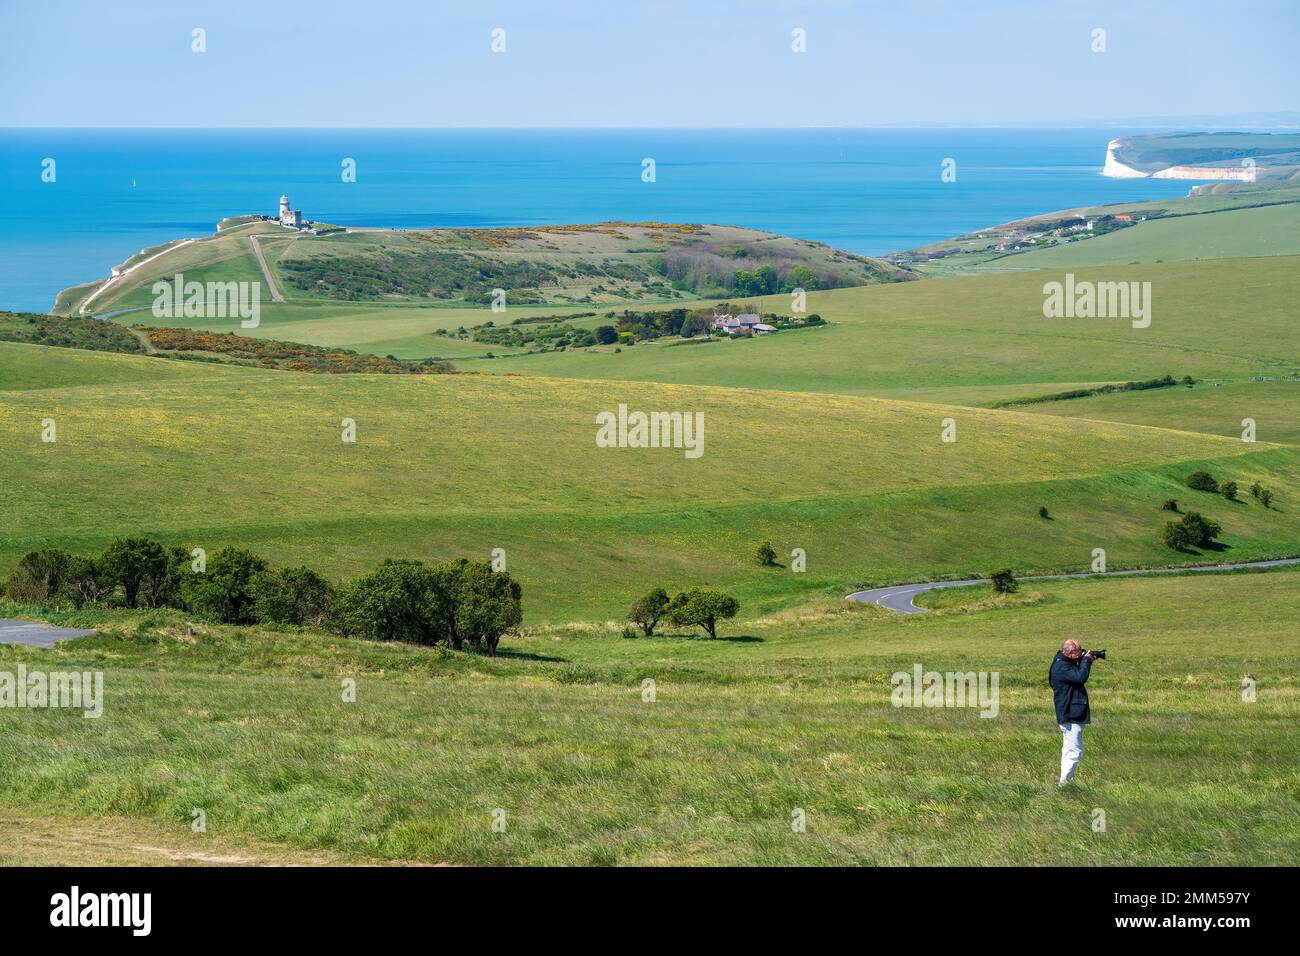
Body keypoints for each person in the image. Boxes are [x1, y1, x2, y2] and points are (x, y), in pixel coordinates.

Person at [1049, 639, 1097, 785]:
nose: (1081, 654)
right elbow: (1080, 677)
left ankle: (1066, 782)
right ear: (1069, 653)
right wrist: (1086, 661)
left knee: (1068, 750)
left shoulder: (1061, 661)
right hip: (1071, 713)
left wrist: (1083, 660)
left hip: (1069, 712)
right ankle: (1065, 784)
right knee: (1074, 752)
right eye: (1078, 652)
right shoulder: (1062, 666)